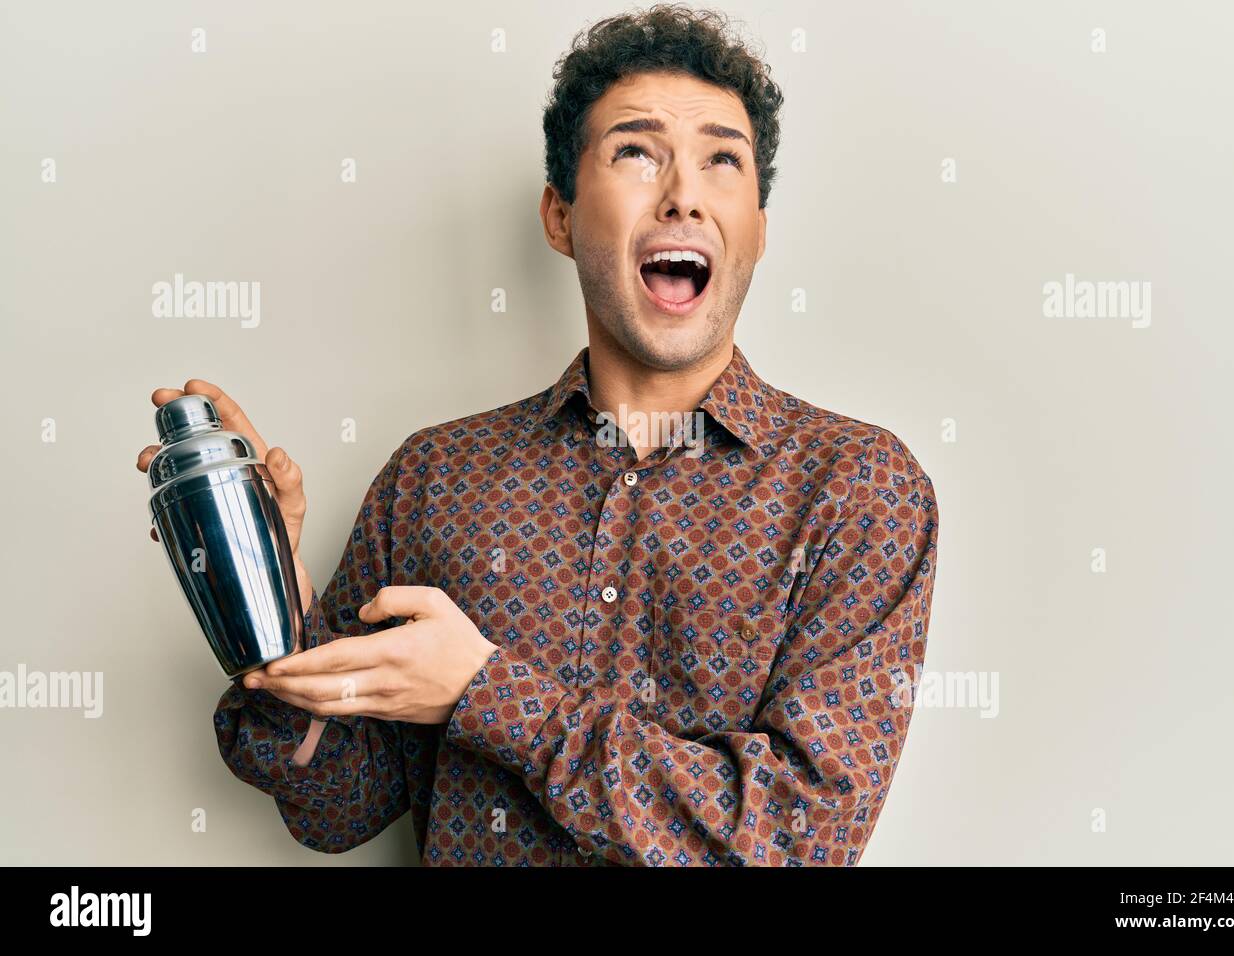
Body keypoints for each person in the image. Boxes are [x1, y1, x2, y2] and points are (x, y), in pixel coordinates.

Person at [136, 4, 939, 867]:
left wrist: (485, 693)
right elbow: (336, 808)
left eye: (722, 160)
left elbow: (797, 839)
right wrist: (272, 611)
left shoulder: (859, 487)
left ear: (759, 230)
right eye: (636, 151)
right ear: (559, 217)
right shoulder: (435, 476)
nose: (684, 195)